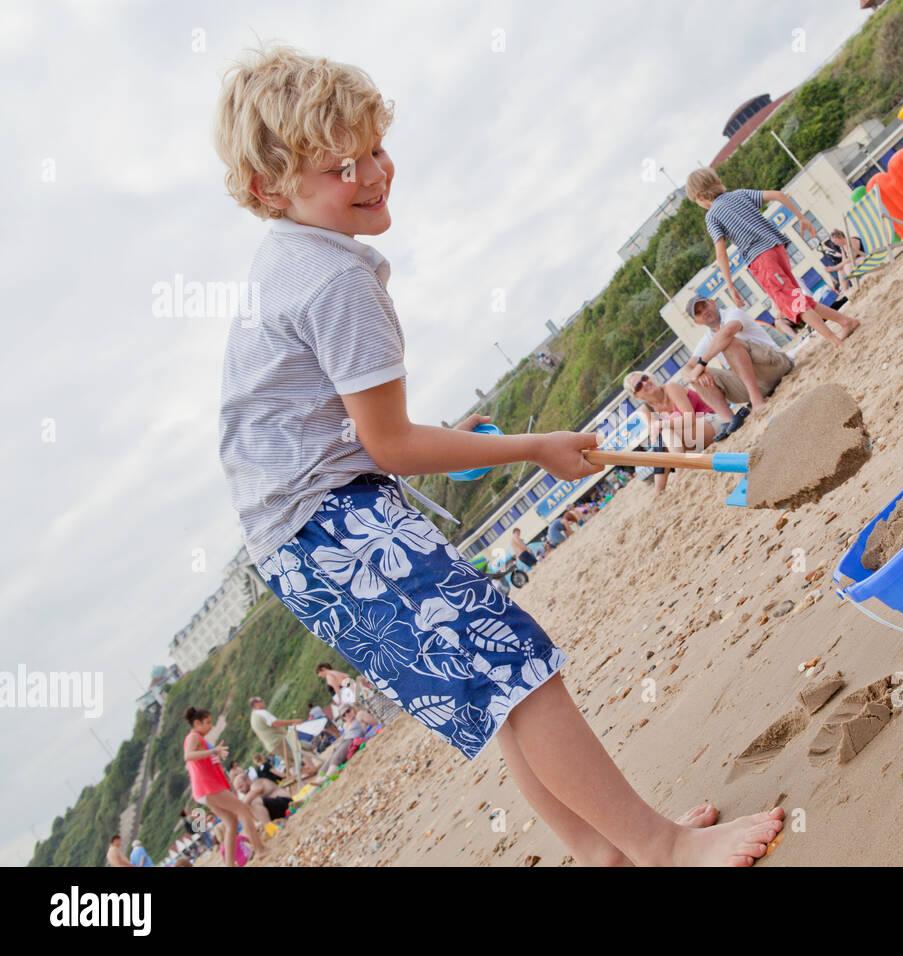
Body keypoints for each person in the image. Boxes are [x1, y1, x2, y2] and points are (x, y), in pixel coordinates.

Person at [214, 47, 780, 866]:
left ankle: (608, 851)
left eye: (376, 147)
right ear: (272, 188)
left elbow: (350, 425)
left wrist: (459, 439)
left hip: (304, 540)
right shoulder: (334, 282)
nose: (375, 172)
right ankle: (662, 850)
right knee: (520, 670)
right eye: (345, 165)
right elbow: (391, 444)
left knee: (497, 688)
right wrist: (537, 446)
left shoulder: (289, 264)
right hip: (330, 526)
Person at [684, 168, 859, 349]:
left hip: (761, 260)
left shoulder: (712, 216)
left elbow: (721, 253)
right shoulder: (739, 194)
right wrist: (801, 218)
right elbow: (778, 195)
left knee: (796, 304)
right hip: (777, 248)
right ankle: (845, 321)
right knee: (799, 298)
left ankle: (834, 341)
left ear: (700, 197)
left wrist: (729, 285)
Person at [680, 294, 794, 416]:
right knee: (698, 377)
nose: (704, 312)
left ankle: (756, 400)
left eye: (704, 306)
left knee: (728, 343)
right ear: (697, 321)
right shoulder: (707, 339)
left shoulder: (733, 313)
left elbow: (726, 333)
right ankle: (730, 420)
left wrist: (702, 364)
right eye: (698, 312)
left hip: (775, 365)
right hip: (755, 384)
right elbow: (686, 370)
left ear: (713, 303)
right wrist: (696, 375)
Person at [182, 706, 266, 866]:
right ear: (197, 723)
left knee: (231, 822)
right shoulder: (194, 736)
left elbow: (204, 760)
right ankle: (260, 849)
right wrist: (213, 752)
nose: (210, 726)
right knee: (242, 809)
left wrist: (216, 753)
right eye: (207, 722)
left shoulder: (200, 739)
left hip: (204, 789)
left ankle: (229, 864)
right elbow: (189, 756)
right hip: (208, 787)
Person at [623, 371, 729, 495]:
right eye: (639, 385)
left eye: (645, 378)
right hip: (691, 442)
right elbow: (657, 441)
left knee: (665, 430)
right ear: (636, 396)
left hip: (711, 422)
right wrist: (657, 431)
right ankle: (659, 490)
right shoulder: (646, 410)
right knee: (661, 442)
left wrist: (663, 424)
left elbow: (690, 419)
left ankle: (680, 471)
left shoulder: (671, 388)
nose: (645, 383)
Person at [248, 696, 318, 775]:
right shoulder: (261, 713)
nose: (263, 701)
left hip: (272, 745)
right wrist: (293, 721)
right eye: (260, 700)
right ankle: (313, 769)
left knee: (290, 762)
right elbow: (275, 723)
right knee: (299, 752)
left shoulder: (253, 718)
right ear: (255, 704)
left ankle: (302, 779)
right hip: (279, 740)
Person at [822, 229, 866, 294]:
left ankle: (857, 287)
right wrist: (832, 268)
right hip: (856, 262)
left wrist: (834, 268)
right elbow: (843, 262)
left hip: (865, 258)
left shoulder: (852, 240)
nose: (835, 244)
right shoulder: (843, 247)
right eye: (834, 243)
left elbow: (852, 257)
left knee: (847, 267)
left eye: (835, 241)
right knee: (841, 272)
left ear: (840, 236)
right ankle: (847, 293)